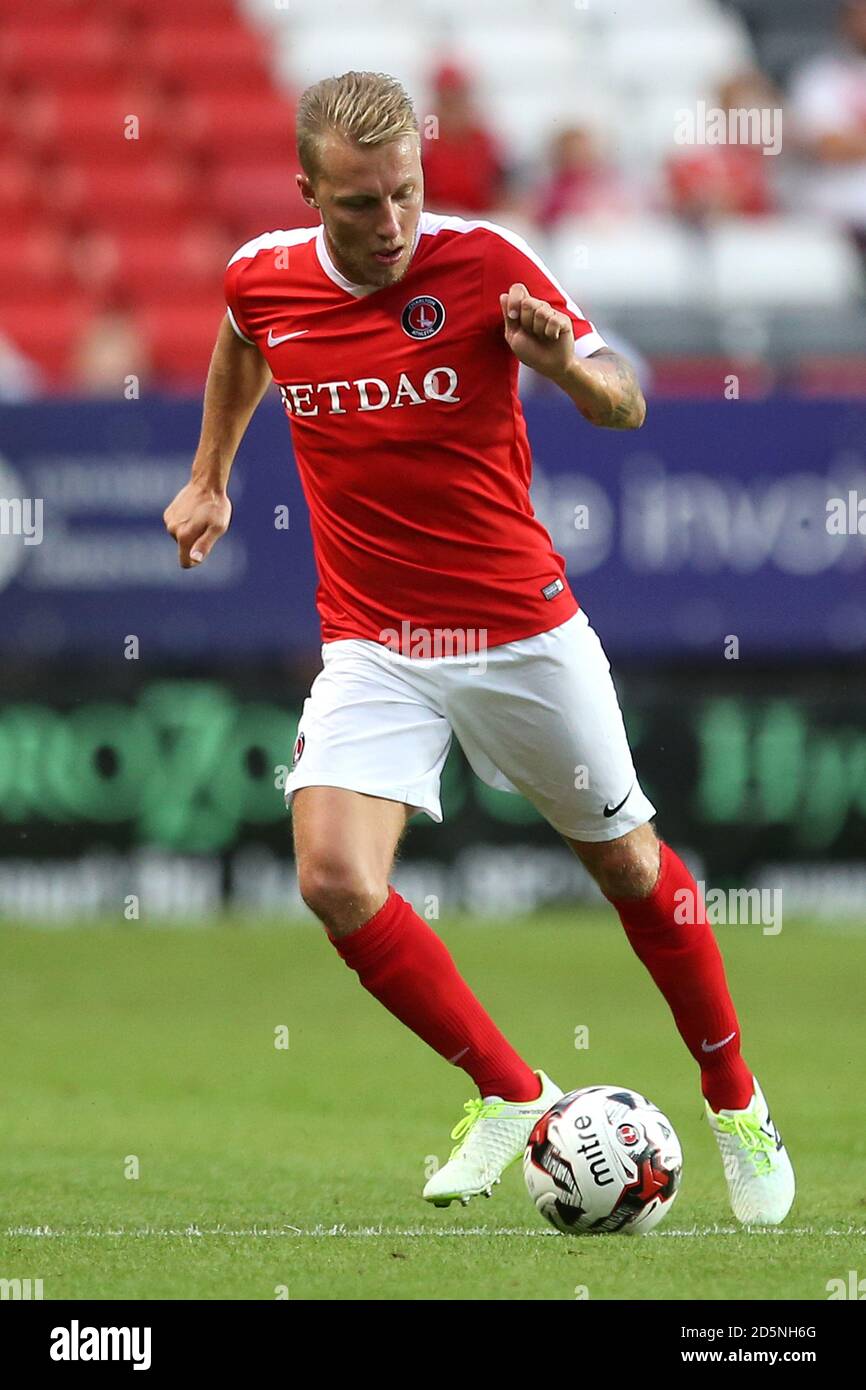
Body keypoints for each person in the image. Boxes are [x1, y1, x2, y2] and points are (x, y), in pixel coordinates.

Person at [163, 71, 794, 1224]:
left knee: (628, 868)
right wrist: (209, 475)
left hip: (519, 628)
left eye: (404, 193)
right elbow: (243, 337)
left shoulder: (486, 260)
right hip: (373, 639)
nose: (392, 224)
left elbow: (624, 404)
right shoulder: (263, 276)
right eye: (360, 206)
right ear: (310, 194)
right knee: (333, 877)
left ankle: (734, 1097)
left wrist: (557, 366)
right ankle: (511, 1091)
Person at [788, 0, 866, 243]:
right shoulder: (819, 76)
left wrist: (851, 141)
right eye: (858, 15)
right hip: (836, 223)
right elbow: (826, 147)